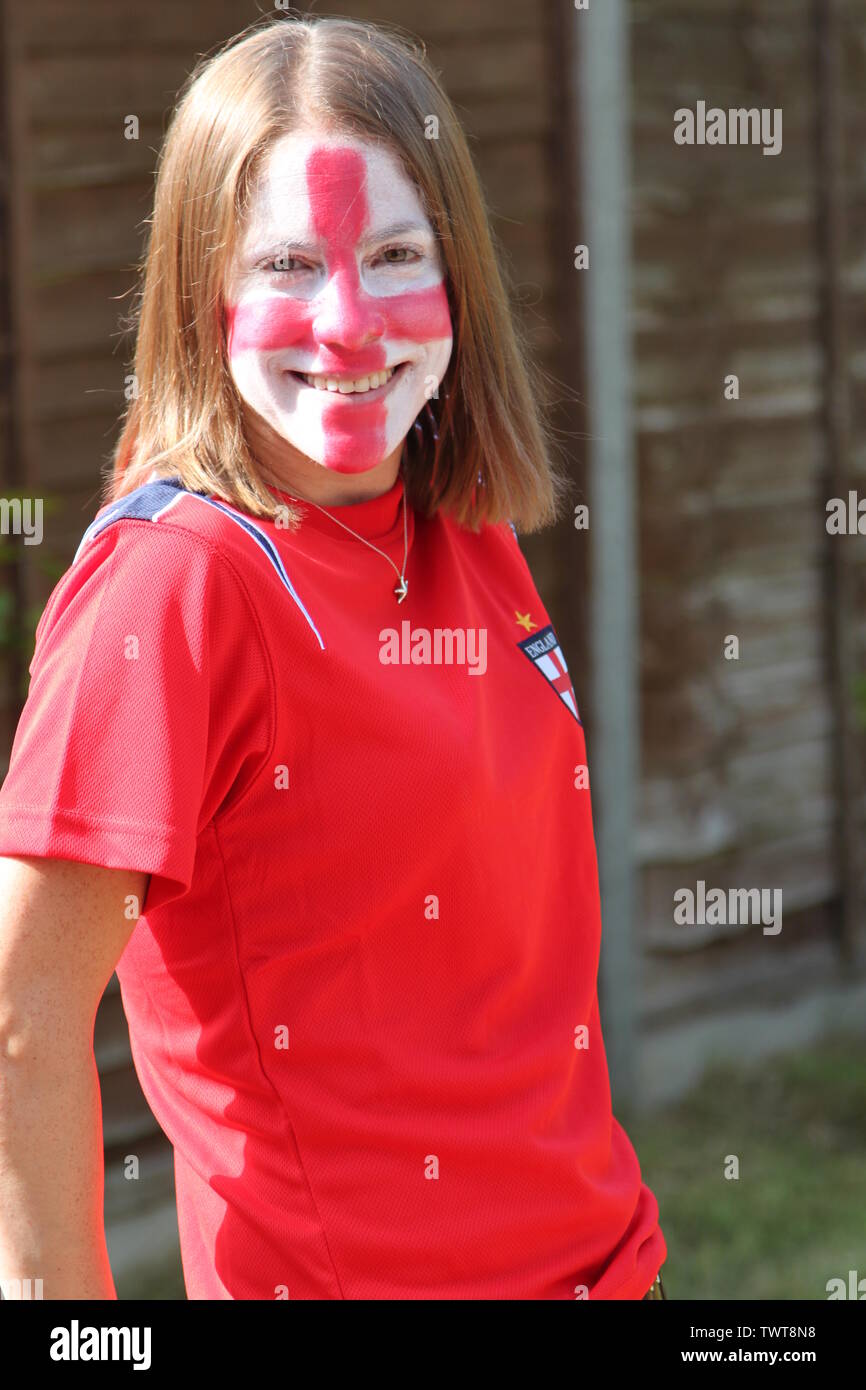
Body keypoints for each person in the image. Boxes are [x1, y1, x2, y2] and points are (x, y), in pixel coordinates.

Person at [0, 13, 666, 1300]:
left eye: (395, 254)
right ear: (206, 294)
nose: (350, 324)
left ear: (460, 275)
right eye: (290, 264)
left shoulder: (454, 520)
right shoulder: (175, 581)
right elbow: (20, 1015)